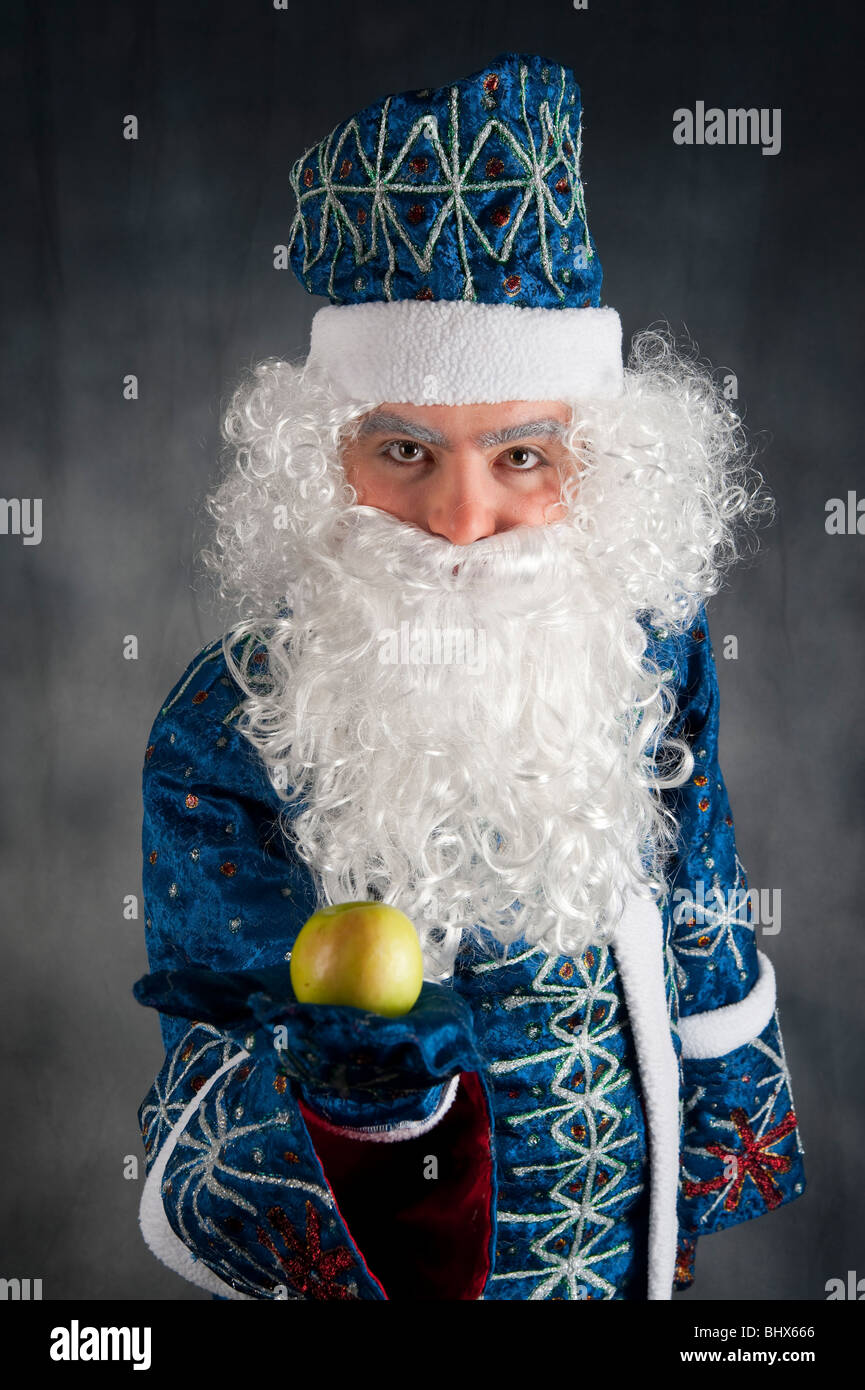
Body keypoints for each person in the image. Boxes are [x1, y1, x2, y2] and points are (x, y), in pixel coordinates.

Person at [133, 51, 805, 1301]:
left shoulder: (644, 646)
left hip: (621, 1247)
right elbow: (212, 1063)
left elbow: (700, 883)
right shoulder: (226, 719)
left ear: (594, 464)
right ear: (321, 462)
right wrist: (345, 1093)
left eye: (520, 456)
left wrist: (710, 1140)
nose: (460, 518)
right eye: (404, 450)